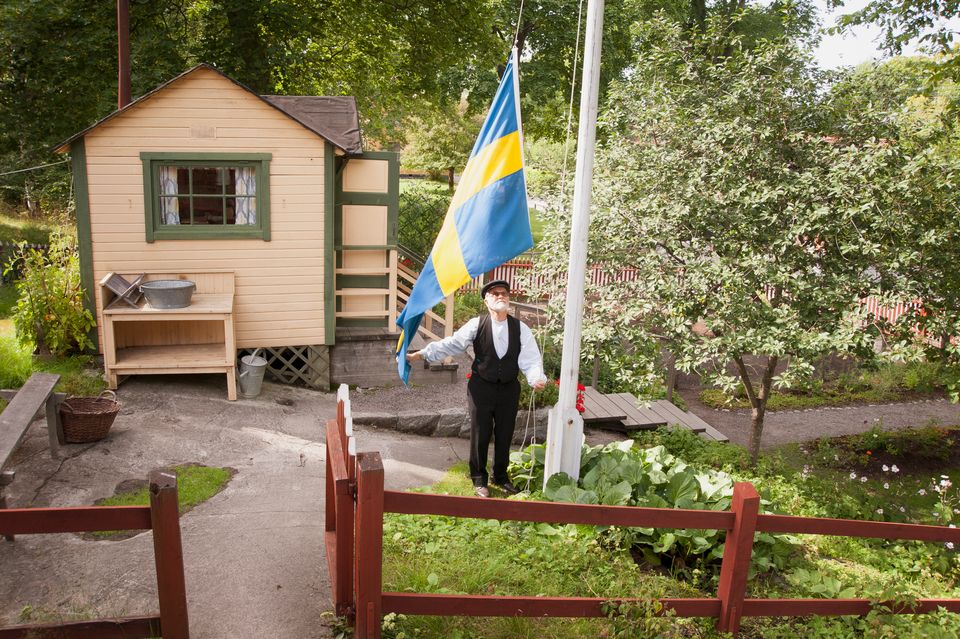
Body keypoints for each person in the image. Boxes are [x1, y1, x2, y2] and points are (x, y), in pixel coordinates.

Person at [407, 279, 547, 497]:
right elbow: (452, 344)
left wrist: (536, 379)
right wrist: (422, 354)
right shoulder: (476, 324)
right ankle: (479, 478)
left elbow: (531, 359)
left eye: (504, 293)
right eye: (495, 293)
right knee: (480, 432)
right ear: (486, 301)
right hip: (481, 388)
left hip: (509, 389)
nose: (500, 296)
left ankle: (500, 476)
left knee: (505, 434)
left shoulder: (521, 329)